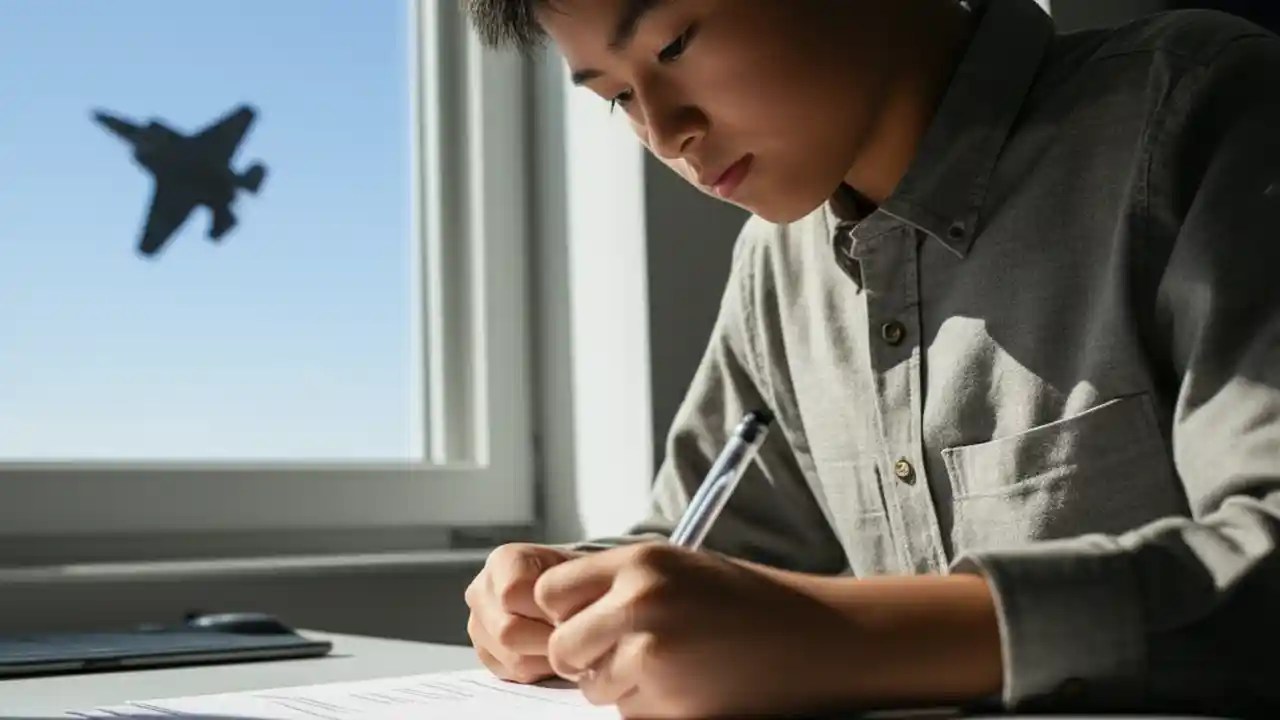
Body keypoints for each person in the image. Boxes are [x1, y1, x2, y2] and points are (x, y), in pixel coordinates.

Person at [460, 0, 1280, 717]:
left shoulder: (1196, 108)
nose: (667, 132)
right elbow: (709, 552)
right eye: (617, 98)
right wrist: (568, 595)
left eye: (673, 46)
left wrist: (845, 641)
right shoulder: (776, 270)